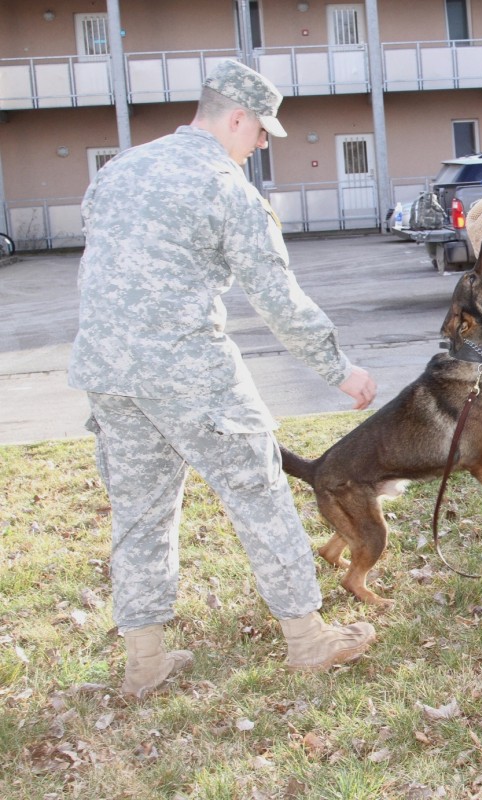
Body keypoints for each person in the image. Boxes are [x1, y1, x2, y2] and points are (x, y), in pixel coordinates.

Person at [68, 59, 378, 699]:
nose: (262, 146)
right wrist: (338, 370)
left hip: (107, 373)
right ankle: (307, 638)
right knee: (260, 493)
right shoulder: (223, 186)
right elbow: (277, 296)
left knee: (140, 514)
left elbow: (102, 257)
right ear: (237, 118)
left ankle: (144, 663)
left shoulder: (119, 169)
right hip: (187, 369)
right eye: (262, 132)